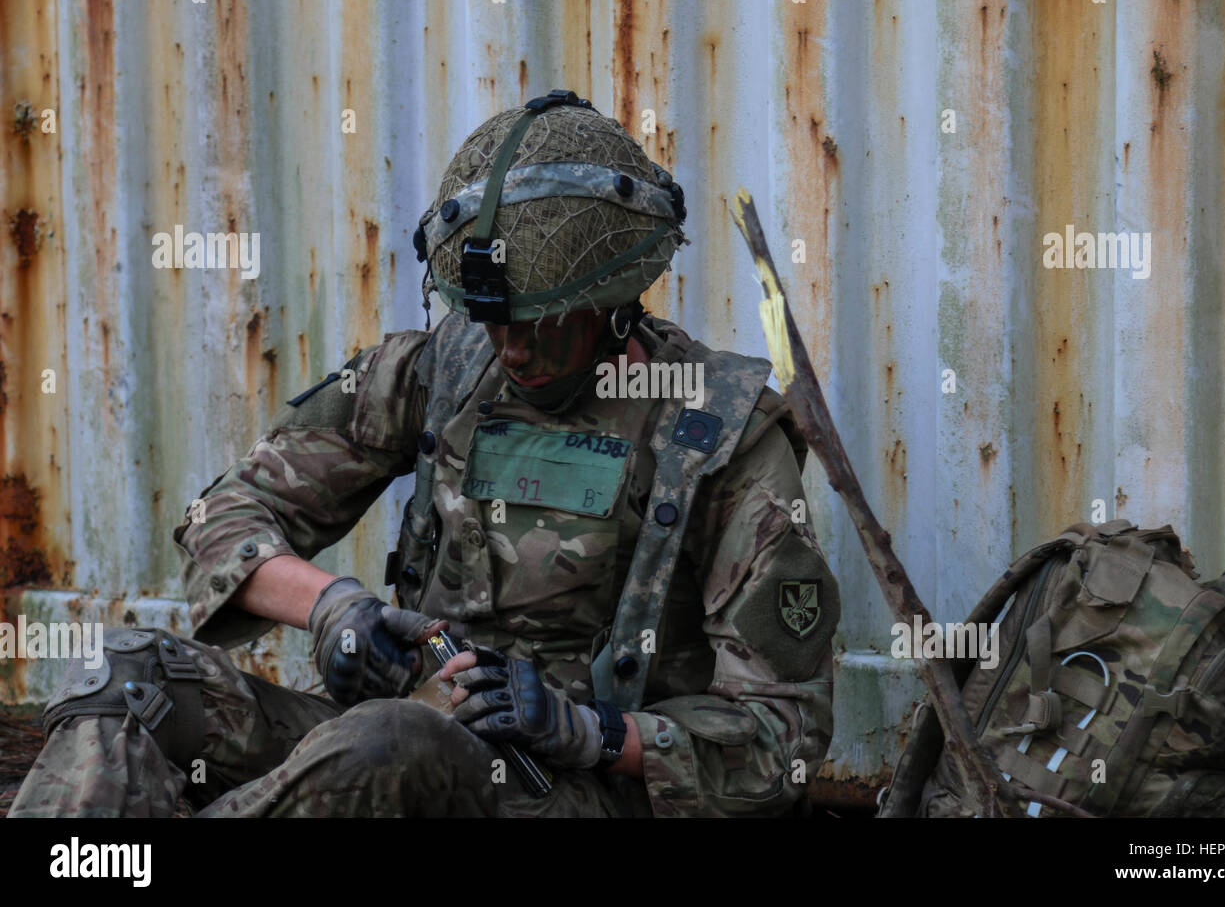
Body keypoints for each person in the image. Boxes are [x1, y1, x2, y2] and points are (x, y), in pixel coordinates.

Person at [10, 89, 840, 817]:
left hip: (572, 783)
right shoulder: (438, 368)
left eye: (539, 324)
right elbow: (219, 515)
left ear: (613, 301)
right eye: (490, 320)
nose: (509, 349)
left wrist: (589, 731)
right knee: (121, 674)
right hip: (399, 731)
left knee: (390, 744)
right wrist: (335, 608)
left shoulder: (720, 434)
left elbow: (782, 739)